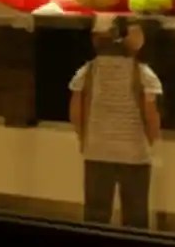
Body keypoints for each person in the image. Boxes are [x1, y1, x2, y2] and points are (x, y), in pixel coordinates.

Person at [69, 15, 163, 229]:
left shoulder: (88, 71)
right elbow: (151, 114)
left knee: (96, 211)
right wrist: (152, 140)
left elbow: (76, 110)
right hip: (135, 153)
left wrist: (83, 137)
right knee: (136, 213)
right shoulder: (144, 74)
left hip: (97, 150)